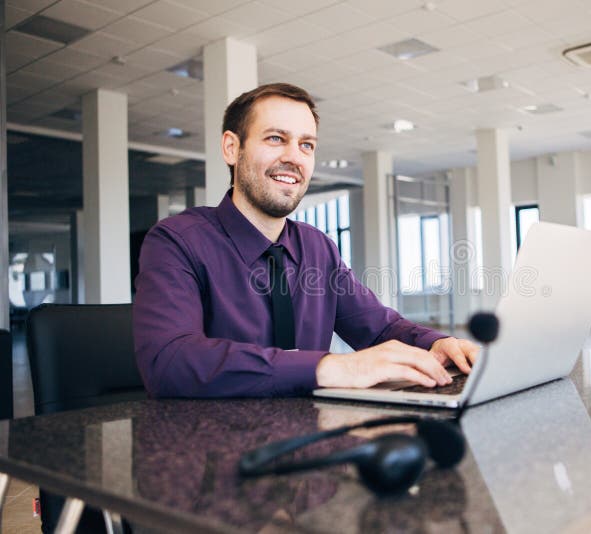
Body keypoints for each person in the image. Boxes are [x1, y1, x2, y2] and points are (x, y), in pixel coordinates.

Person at [133, 82, 478, 398]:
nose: (294, 157)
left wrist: (440, 343)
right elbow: (169, 362)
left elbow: (378, 327)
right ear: (231, 148)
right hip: (214, 449)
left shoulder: (318, 248)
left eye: (306, 145)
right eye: (275, 138)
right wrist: (330, 367)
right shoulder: (176, 241)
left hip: (311, 439)